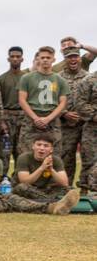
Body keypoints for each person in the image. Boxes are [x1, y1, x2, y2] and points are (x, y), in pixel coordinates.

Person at [13, 137, 81, 214]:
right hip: (27, 189)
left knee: (69, 189)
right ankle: (55, 203)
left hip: (44, 190)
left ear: (51, 150)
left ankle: (52, 203)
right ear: (33, 146)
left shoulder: (55, 160)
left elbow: (64, 183)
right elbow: (24, 181)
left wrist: (51, 169)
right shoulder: (24, 157)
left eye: (46, 146)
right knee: (22, 187)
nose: (41, 148)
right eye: (39, 145)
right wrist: (42, 168)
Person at [18, 46, 68, 148]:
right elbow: (22, 100)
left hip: (52, 119)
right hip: (31, 119)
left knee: (55, 152)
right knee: (26, 150)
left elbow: (63, 102)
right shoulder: (26, 78)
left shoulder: (60, 80)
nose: (45, 60)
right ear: (38, 59)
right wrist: (35, 118)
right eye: (43, 57)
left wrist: (49, 118)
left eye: (48, 58)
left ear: (53, 59)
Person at [55, 45, 88, 185]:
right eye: (70, 57)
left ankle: (86, 188)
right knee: (66, 157)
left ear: (80, 58)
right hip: (65, 126)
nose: (73, 59)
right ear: (65, 59)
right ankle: (65, 188)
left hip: (86, 125)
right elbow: (51, 99)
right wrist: (64, 113)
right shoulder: (57, 78)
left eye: (75, 56)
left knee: (88, 157)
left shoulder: (88, 77)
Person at [0, 46, 27, 164]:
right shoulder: (1, 79)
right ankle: (3, 179)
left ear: (22, 59)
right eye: (12, 56)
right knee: (4, 152)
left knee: (22, 152)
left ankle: (19, 179)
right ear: (8, 59)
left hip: (24, 118)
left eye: (18, 57)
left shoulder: (27, 78)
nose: (15, 59)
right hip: (6, 118)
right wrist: (0, 122)